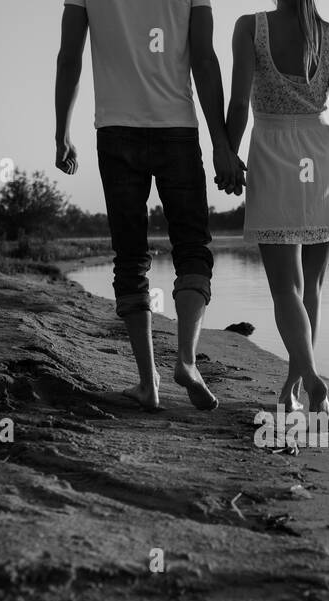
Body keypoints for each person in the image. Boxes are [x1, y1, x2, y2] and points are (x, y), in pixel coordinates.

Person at [55, 0, 246, 412]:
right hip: (177, 127)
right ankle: (187, 362)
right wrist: (222, 144)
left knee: (130, 257)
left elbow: (69, 56)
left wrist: (62, 132)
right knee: (192, 249)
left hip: (115, 130)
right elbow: (204, 59)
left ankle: (148, 382)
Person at [226, 0, 329, 419]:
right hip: (324, 164)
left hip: (274, 157)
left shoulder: (249, 27)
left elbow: (238, 105)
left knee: (285, 289)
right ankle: (298, 385)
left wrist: (229, 156)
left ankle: (307, 380)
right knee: (311, 288)